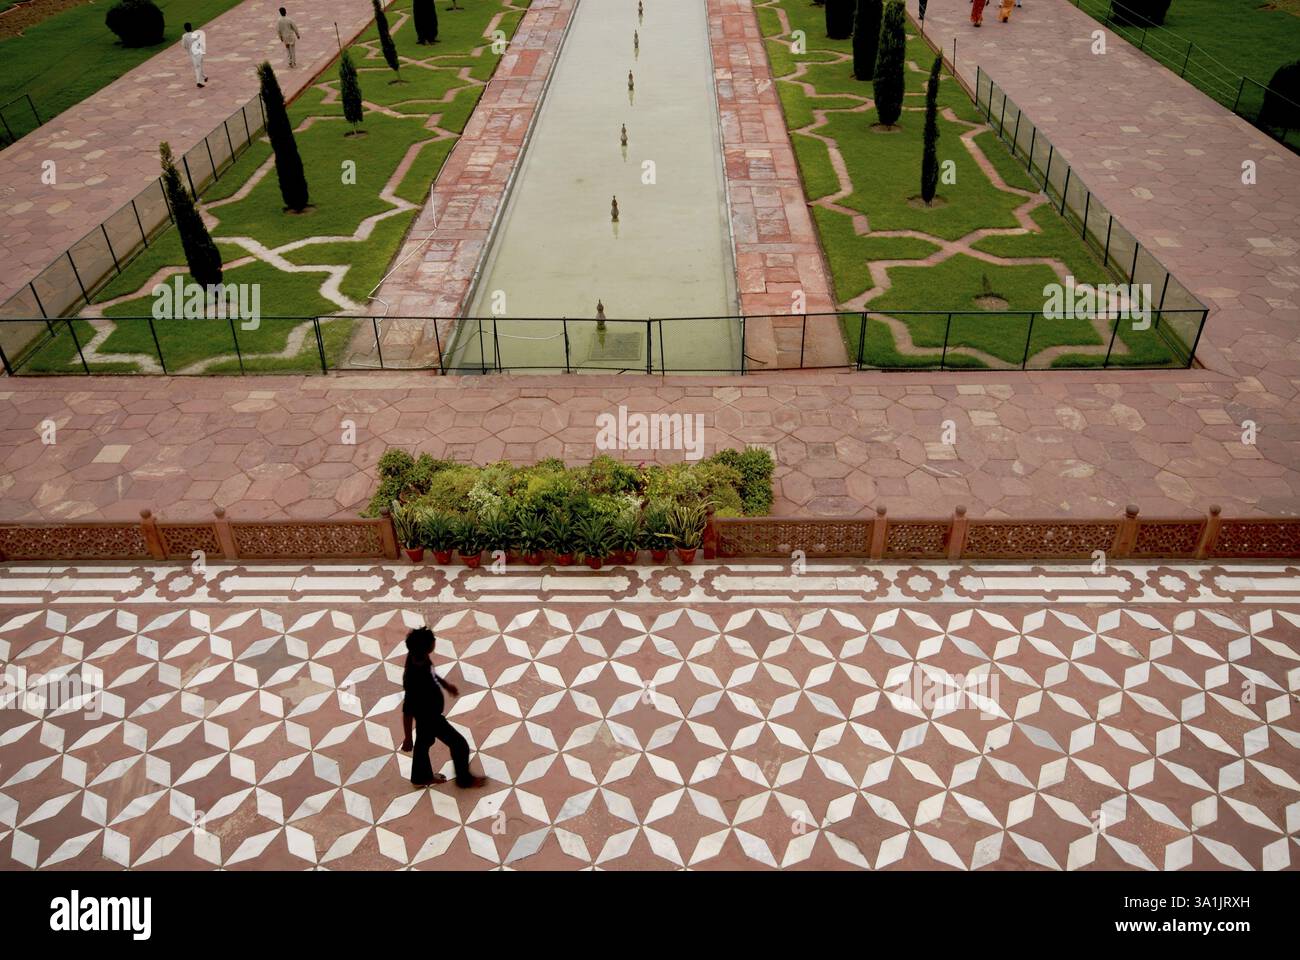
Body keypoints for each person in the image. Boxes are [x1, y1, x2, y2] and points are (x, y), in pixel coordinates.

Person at [400, 627, 485, 789]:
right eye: (433, 641)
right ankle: (464, 780)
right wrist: (407, 737)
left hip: (427, 715)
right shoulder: (413, 678)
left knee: (423, 744)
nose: (435, 642)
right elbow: (407, 710)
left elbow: (431, 673)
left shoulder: (418, 657)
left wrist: (445, 685)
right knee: (460, 745)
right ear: (427, 647)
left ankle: (420, 777)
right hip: (430, 717)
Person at [181, 23, 207, 88]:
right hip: (198, 53)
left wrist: (188, 49)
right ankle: (200, 80)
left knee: (197, 66)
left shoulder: (184, 36)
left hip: (192, 54)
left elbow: (184, 45)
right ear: (191, 27)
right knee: (198, 66)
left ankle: (203, 77)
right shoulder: (195, 35)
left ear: (185, 29)